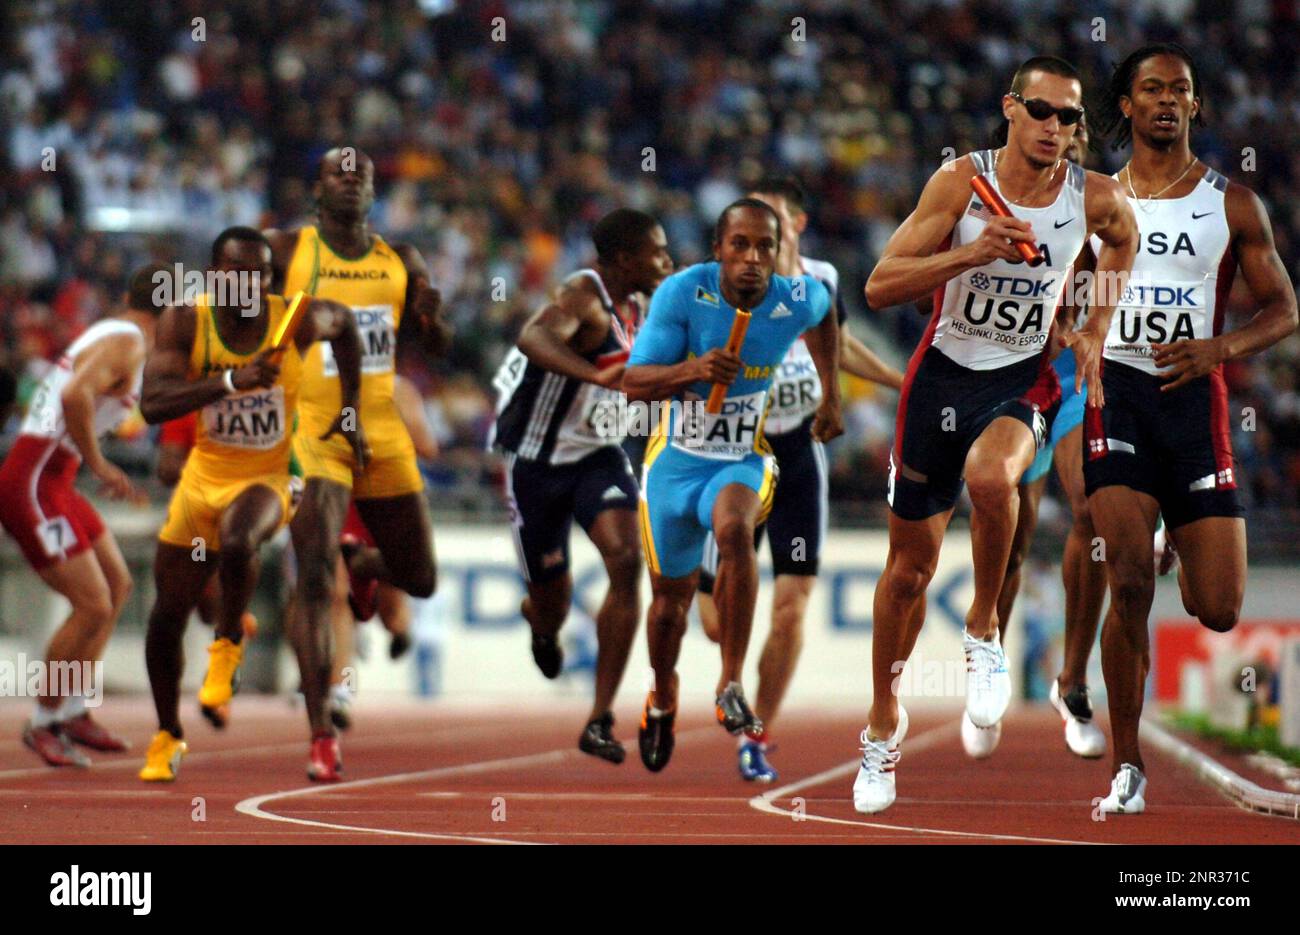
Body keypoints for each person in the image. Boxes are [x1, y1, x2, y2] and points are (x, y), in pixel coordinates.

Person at [854, 55, 1137, 814]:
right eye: (1040, 111)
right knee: (907, 574)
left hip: (1021, 379)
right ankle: (883, 726)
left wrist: (1092, 327)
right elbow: (880, 284)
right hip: (941, 376)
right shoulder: (959, 184)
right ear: (1010, 109)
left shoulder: (1092, 196)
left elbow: (1124, 239)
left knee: (992, 478)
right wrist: (972, 251)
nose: (1054, 128)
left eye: (1070, 117)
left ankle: (984, 628)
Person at [1086, 44, 1297, 813]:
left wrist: (1222, 347)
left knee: (1220, 607)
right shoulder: (1094, 197)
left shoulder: (1233, 202)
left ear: (1195, 107)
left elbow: (1286, 308)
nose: (1168, 101)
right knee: (1130, 578)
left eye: (1180, 90)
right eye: (1152, 90)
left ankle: (1175, 526)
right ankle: (1128, 763)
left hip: (1193, 400)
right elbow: (1055, 286)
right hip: (1116, 394)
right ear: (1130, 105)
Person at [137, 227, 366, 782]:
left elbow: (351, 328)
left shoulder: (296, 318)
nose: (250, 285)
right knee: (166, 617)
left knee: (241, 539)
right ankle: (168, 733)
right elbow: (151, 405)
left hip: (269, 474)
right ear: (215, 277)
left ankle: (229, 644)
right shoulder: (186, 321)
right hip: (204, 478)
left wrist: (352, 409)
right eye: (238, 275)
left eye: (261, 275)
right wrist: (233, 380)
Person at [694, 177, 903, 782]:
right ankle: (725, 649)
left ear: (797, 224)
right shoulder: (722, 281)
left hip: (799, 448)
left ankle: (757, 732)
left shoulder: (821, 280)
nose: (760, 238)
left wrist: (897, 381)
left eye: (773, 222)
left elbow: (837, 347)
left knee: (791, 608)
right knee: (714, 621)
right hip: (734, 450)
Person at [624, 198, 843, 773]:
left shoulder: (792, 297)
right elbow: (632, 383)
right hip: (673, 466)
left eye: (764, 247)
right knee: (668, 608)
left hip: (741, 459)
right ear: (718, 249)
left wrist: (832, 394)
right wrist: (692, 370)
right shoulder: (681, 293)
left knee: (734, 529)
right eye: (739, 245)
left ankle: (730, 682)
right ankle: (663, 694)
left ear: (777, 253)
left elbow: (826, 313)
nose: (752, 258)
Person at [264, 147, 450, 780]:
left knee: (421, 578)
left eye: (361, 174)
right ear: (317, 188)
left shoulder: (402, 260)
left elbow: (437, 340)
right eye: (338, 172)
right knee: (314, 579)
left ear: (372, 192)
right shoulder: (286, 251)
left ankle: (367, 563)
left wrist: (431, 316)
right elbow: (233, 311)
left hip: (380, 428)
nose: (349, 180)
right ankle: (321, 732)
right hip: (311, 432)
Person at [490, 208, 672, 762]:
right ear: (623, 260)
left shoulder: (642, 306)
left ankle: (599, 718)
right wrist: (594, 374)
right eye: (657, 252)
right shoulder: (583, 297)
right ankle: (542, 626)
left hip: (599, 457)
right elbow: (531, 337)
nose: (666, 261)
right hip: (537, 466)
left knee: (625, 559)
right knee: (553, 602)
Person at [972, 114, 1107, 760]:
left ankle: (1072, 680)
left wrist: (1089, 328)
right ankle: (989, 652)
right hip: (1019, 381)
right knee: (1016, 539)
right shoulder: (1006, 207)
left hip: (1071, 379)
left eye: (1076, 152)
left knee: (1092, 506)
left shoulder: (1105, 217)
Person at [0, 264, 165, 766]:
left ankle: (72, 709)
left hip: (57, 476)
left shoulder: (118, 334)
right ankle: (44, 719)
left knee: (117, 586)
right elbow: (75, 397)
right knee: (92, 603)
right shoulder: (130, 342)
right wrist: (102, 465)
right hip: (34, 476)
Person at [328, 374, 440, 729]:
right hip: (339, 495)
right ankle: (342, 690)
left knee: (390, 607)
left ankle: (400, 627)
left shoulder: (398, 389)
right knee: (336, 595)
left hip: (386, 498)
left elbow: (428, 447)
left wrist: (385, 430)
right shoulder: (320, 379)